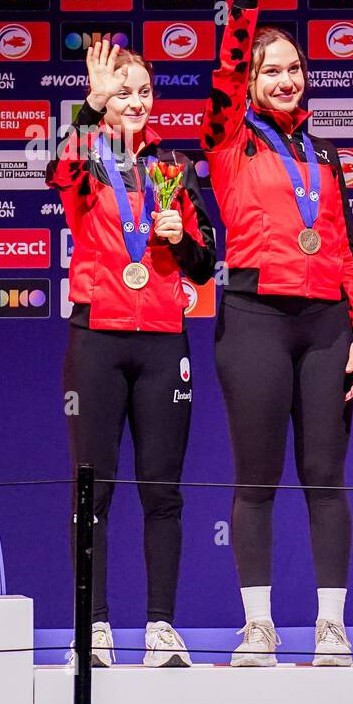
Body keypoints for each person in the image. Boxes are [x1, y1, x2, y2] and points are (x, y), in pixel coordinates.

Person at [200, 0, 353, 667]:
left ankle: (330, 626)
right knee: (258, 475)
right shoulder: (228, 140)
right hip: (255, 317)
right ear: (252, 82)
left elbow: (341, 245)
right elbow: (228, 64)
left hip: (328, 323)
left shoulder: (323, 151)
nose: (286, 79)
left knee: (328, 477)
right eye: (271, 71)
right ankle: (259, 626)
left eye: (295, 69)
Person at [48, 40, 216, 667]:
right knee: (94, 489)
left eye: (144, 91)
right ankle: (93, 628)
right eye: (124, 91)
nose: (137, 102)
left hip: (165, 340)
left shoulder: (176, 166)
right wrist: (89, 105)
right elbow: (54, 173)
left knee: (162, 491)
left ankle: (160, 629)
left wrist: (180, 240)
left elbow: (205, 267)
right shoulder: (86, 159)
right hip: (98, 336)